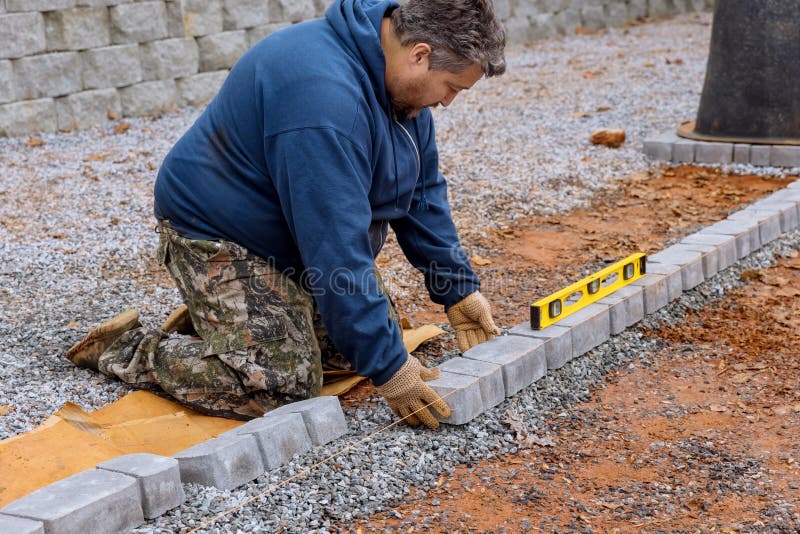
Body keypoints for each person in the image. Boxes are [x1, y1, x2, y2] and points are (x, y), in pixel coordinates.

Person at [66, 0, 506, 429]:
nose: (448, 102)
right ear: (420, 55)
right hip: (217, 231)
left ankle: (233, 319)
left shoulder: (401, 89)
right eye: (452, 87)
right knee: (281, 384)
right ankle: (128, 348)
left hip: (290, 232)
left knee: (353, 343)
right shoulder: (324, 101)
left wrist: (457, 289)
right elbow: (334, 247)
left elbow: (422, 192)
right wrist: (391, 370)